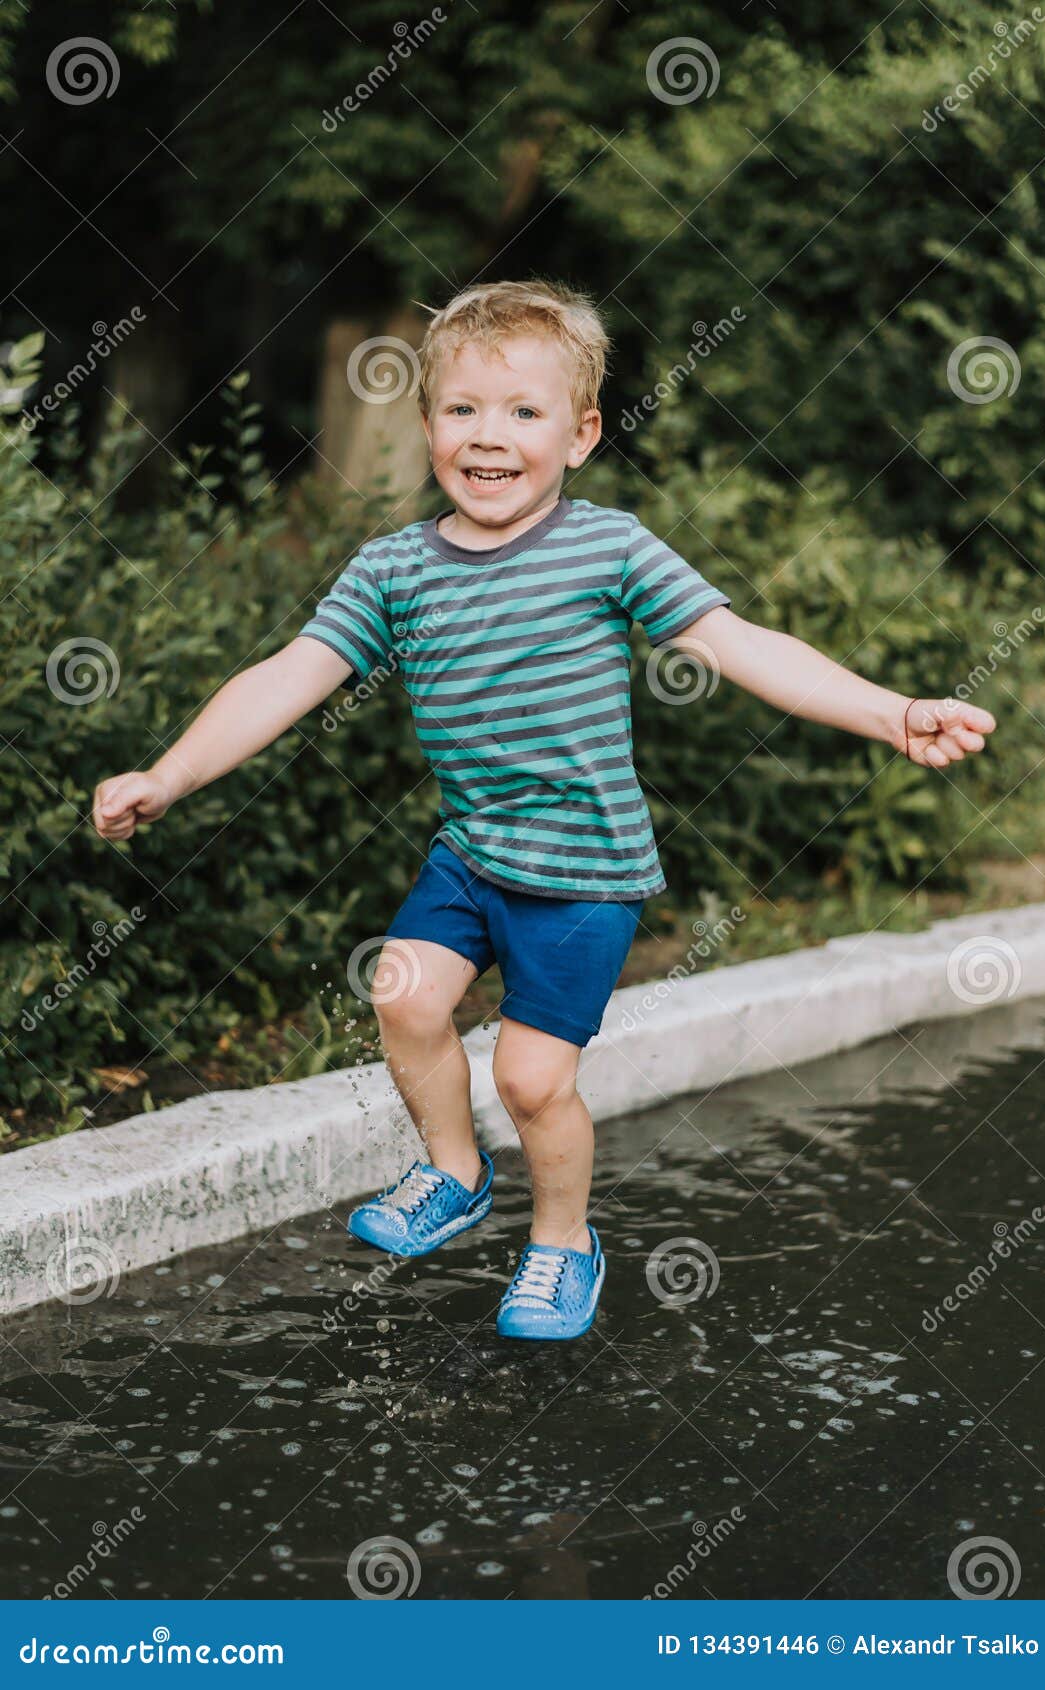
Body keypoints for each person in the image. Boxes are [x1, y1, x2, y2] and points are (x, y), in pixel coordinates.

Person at [92, 279, 996, 1342]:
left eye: (525, 413)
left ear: (581, 434)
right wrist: (170, 772)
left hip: (585, 874)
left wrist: (891, 713)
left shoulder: (607, 550)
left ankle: (564, 1241)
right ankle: (455, 1172)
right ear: (426, 424)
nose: (490, 435)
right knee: (401, 995)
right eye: (464, 409)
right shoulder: (394, 570)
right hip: (474, 856)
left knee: (530, 1077)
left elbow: (741, 648)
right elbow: (289, 675)